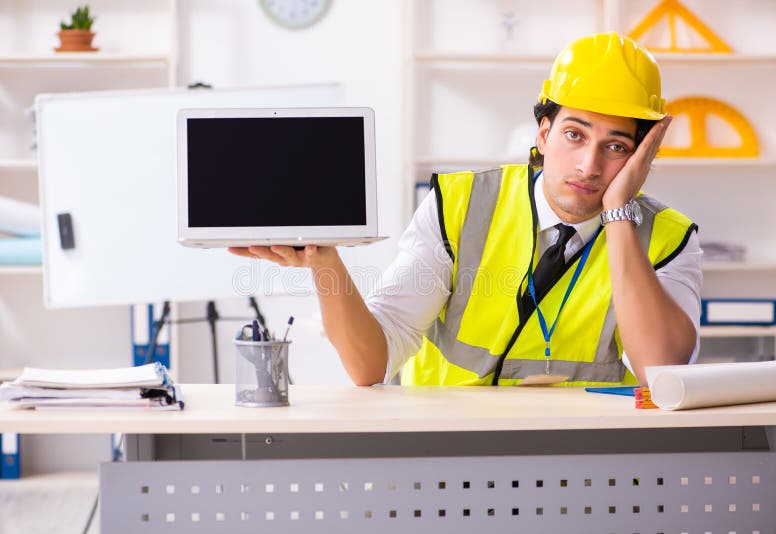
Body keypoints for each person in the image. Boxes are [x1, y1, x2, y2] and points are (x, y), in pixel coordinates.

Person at [230, 32, 702, 388]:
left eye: (616, 146)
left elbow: (661, 372)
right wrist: (325, 264)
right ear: (543, 134)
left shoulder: (668, 238)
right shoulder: (459, 205)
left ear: (642, 158)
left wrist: (618, 212)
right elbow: (370, 364)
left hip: (582, 466)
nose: (589, 165)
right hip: (442, 457)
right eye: (574, 135)